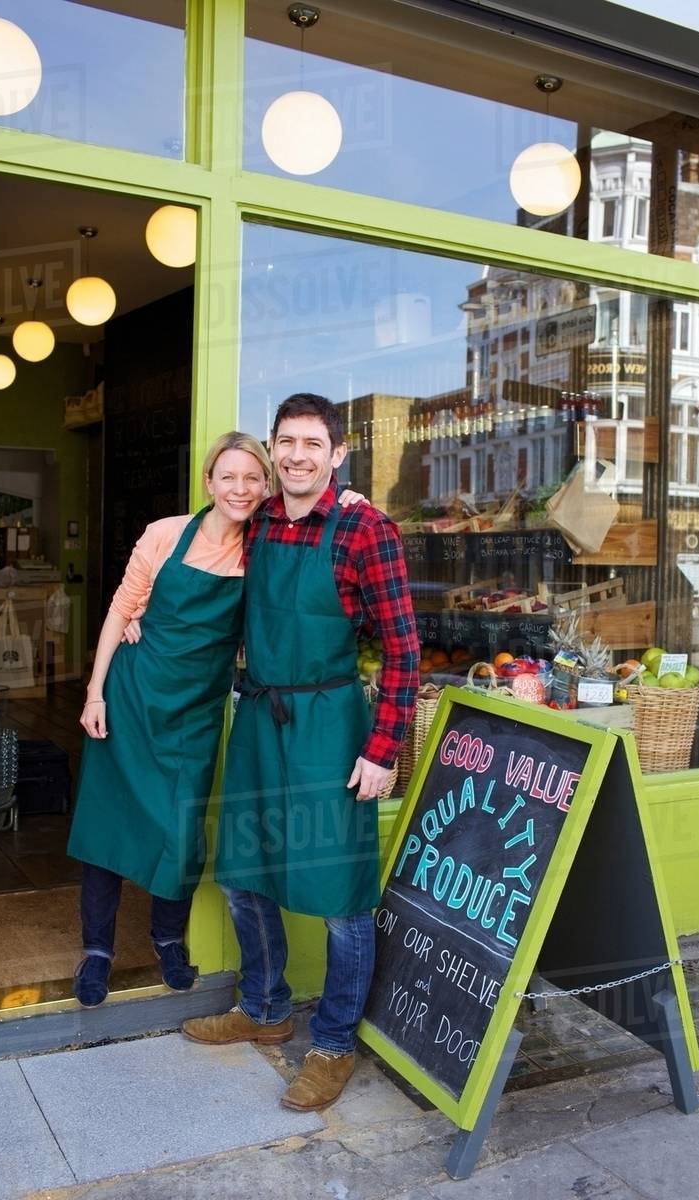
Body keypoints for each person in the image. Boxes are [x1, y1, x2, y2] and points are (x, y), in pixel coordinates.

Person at [67, 429, 366, 1008]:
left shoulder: (264, 543)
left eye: (252, 477)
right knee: (107, 829)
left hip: (197, 714)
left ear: (267, 486)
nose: (240, 488)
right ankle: (97, 952)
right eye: (227, 476)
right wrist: (95, 691)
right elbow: (121, 608)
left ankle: (167, 940)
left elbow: (325, 521)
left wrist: (352, 500)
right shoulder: (164, 535)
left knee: (180, 833)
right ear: (208, 481)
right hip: (131, 697)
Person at [182, 393, 420, 1114]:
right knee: (242, 874)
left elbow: (405, 651)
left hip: (329, 726)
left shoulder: (364, 528)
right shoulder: (255, 525)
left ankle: (334, 1044)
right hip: (258, 714)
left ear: (337, 453)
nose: (295, 455)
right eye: (285, 441)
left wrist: (382, 751)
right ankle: (265, 1006)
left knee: (340, 895)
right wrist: (139, 627)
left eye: (312, 444)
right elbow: (184, 557)